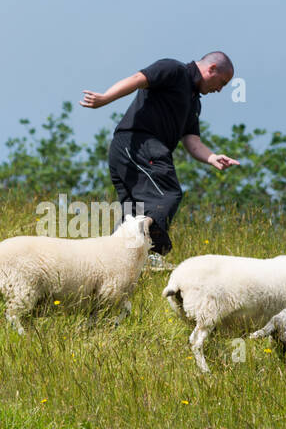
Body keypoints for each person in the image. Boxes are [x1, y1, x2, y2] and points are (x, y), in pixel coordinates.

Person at [81, 52, 239, 268]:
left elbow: (192, 140)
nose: (220, 89)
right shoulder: (173, 70)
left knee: (133, 212)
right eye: (222, 82)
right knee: (166, 193)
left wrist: (212, 157)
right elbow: (138, 79)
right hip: (138, 143)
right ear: (211, 69)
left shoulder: (194, 103)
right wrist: (105, 98)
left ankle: (107, 265)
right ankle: (151, 252)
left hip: (138, 151)